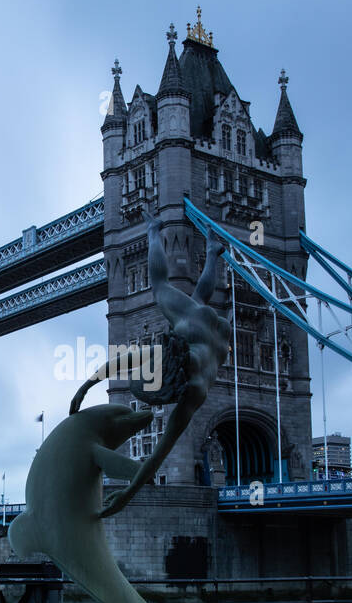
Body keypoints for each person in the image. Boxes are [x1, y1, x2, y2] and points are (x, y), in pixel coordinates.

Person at [70, 211, 232, 518]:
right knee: (171, 290)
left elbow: (159, 453)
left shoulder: (193, 393)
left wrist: (127, 495)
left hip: (219, 337)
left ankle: (194, 245)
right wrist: (87, 385)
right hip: (200, 328)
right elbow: (128, 359)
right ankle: (156, 231)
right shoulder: (177, 350)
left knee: (178, 292)